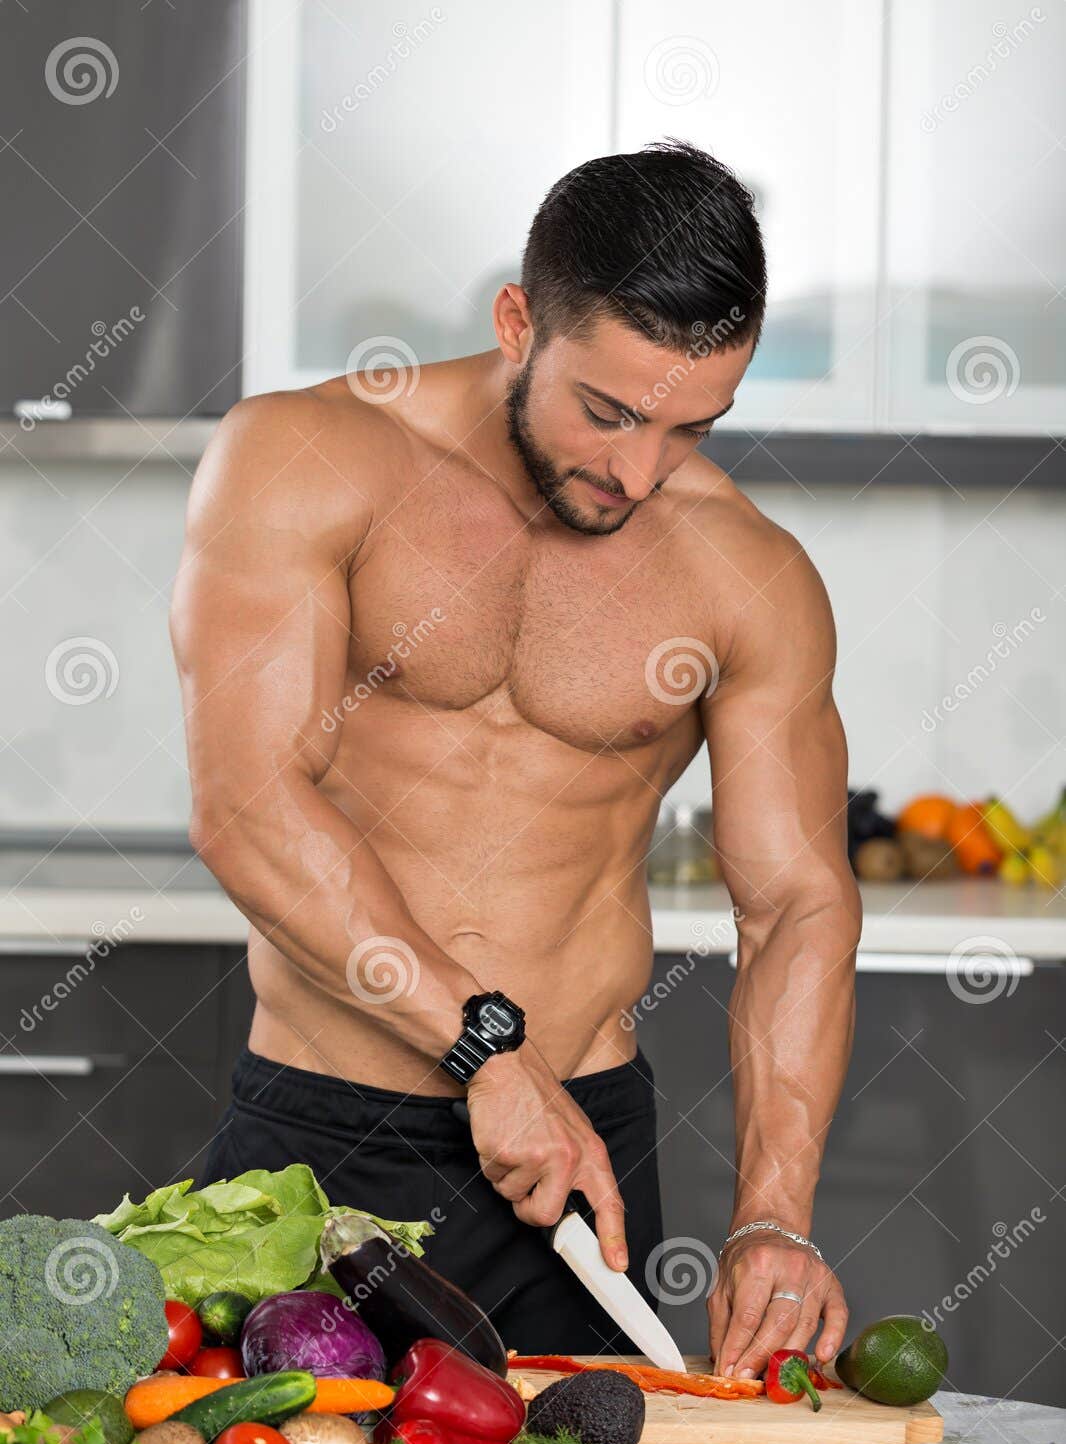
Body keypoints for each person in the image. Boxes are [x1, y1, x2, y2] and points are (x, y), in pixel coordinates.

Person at [172, 141, 860, 1376]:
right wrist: (486, 1050)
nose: (639, 471)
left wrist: (774, 1214)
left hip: (576, 1171)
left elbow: (797, 905)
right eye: (608, 412)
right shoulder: (305, 457)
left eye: (691, 427)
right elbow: (247, 803)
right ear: (516, 323)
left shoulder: (747, 571)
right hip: (322, 1145)